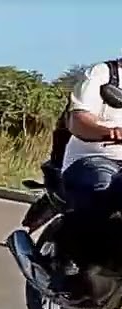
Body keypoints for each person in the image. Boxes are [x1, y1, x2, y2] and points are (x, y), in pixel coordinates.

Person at [60, 60, 122, 216]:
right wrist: (111, 132)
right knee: (102, 190)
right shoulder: (103, 74)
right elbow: (79, 121)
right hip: (96, 158)